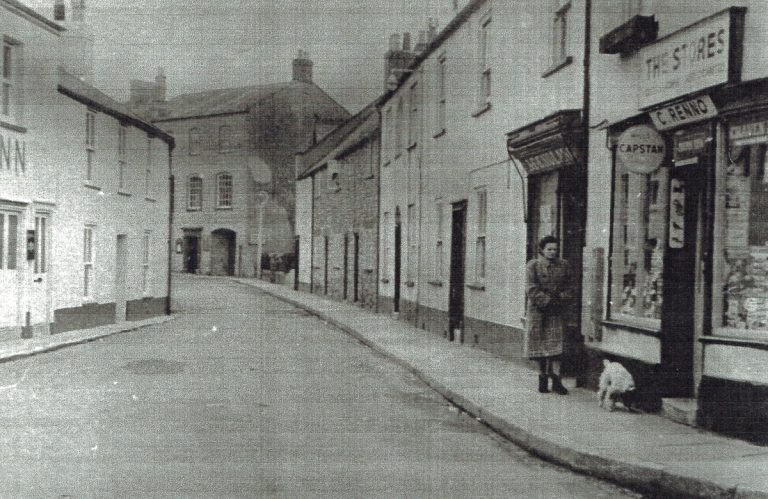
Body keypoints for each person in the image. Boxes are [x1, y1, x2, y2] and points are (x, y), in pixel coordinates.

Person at [525, 235, 574, 395]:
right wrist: (545, 300)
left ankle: (556, 380)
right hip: (539, 311)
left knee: (556, 347)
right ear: (542, 250)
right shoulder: (533, 266)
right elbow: (530, 288)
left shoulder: (564, 265)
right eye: (549, 249)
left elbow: (570, 286)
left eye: (555, 249)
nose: (552, 252)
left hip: (557, 311)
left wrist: (561, 298)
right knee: (540, 346)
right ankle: (542, 378)